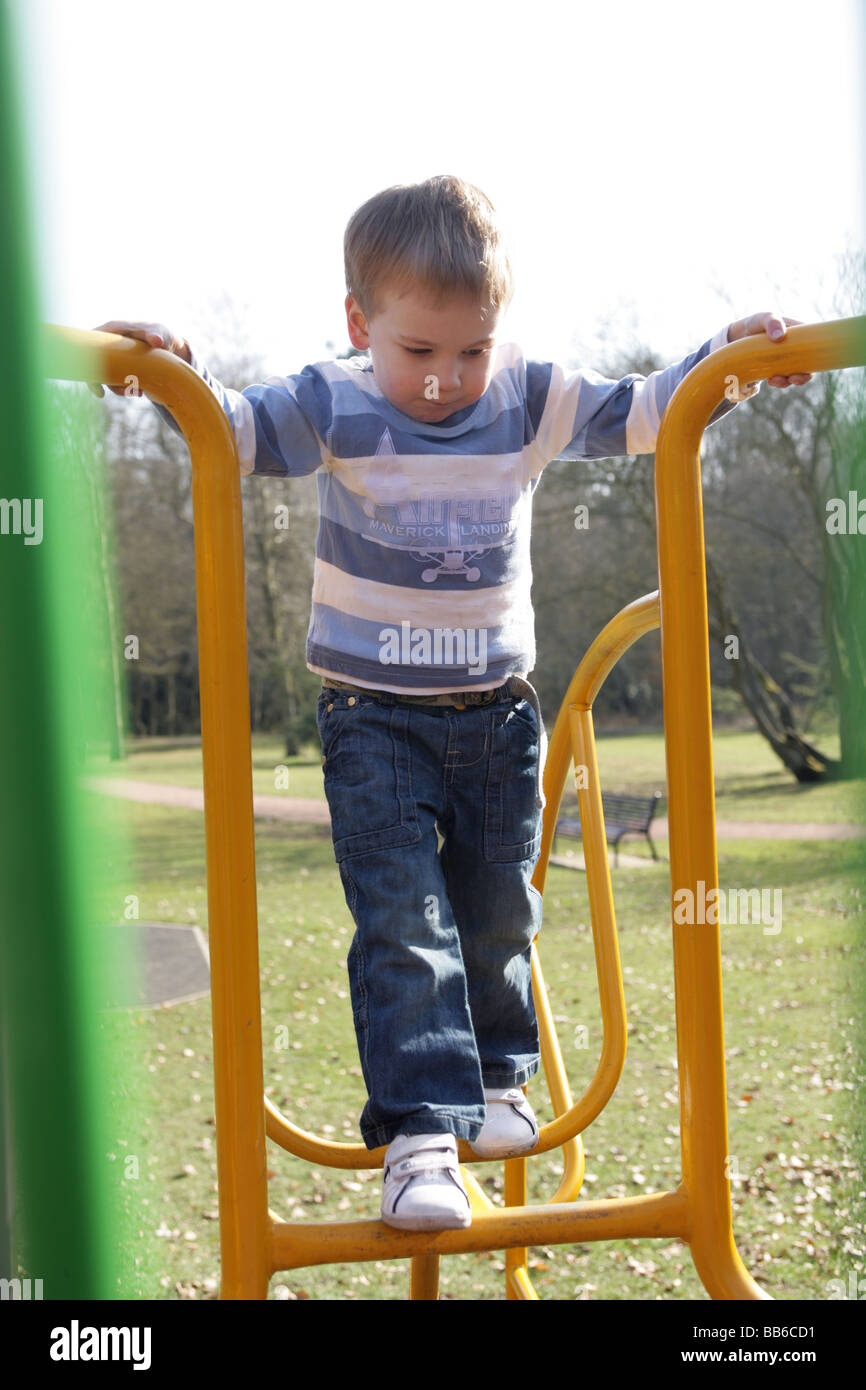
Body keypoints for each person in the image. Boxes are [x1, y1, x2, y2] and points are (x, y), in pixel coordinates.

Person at [91, 174, 812, 1232]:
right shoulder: (332, 399)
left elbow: (648, 415)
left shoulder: (523, 395)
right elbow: (230, 433)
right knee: (402, 917)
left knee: (497, 908)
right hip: (371, 716)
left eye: (468, 351)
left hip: (494, 714)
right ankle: (421, 1135)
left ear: (497, 331)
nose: (443, 380)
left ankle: (498, 1080)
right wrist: (167, 369)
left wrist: (731, 362)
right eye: (417, 353)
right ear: (359, 325)